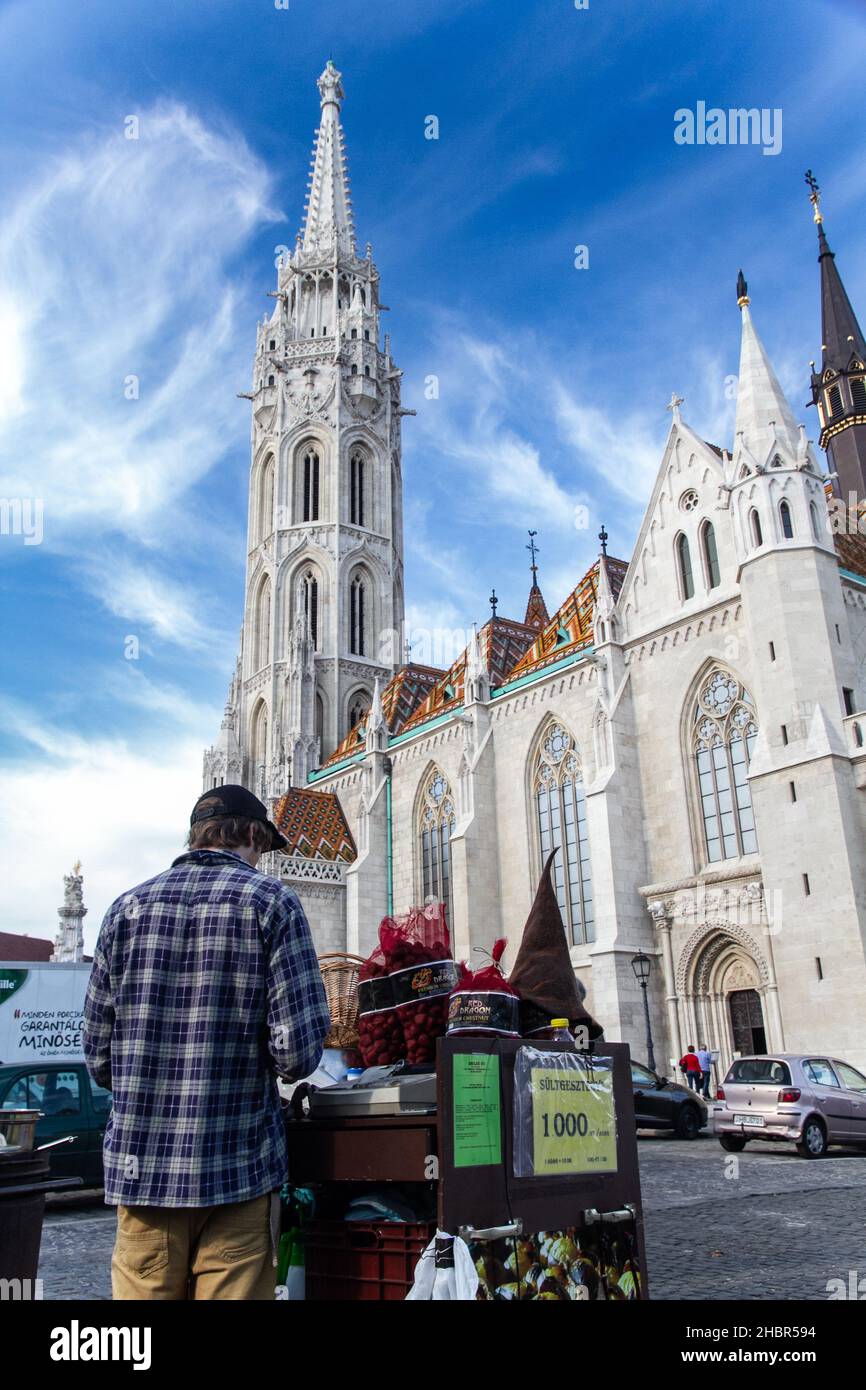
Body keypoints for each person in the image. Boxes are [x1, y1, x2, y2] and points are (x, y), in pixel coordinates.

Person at [83, 785, 330, 1301]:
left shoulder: (124, 911)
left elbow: (98, 1056)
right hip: (237, 1170)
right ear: (250, 835)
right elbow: (298, 1054)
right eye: (262, 846)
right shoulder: (273, 905)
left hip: (142, 1172)